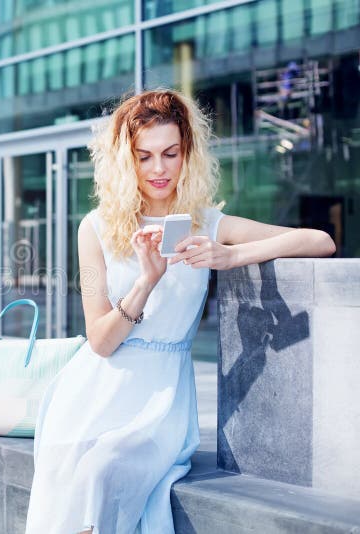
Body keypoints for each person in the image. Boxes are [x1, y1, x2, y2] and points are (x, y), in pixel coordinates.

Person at [24, 89, 335, 534]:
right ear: (124, 160)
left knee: (101, 472)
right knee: (75, 482)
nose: (158, 168)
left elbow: (318, 241)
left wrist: (231, 255)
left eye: (170, 153)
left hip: (162, 401)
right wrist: (145, 282)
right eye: (144, 156)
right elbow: (100, 342)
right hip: (91, 394)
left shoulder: (206, 223)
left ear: (186, 153)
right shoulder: (93, 229)